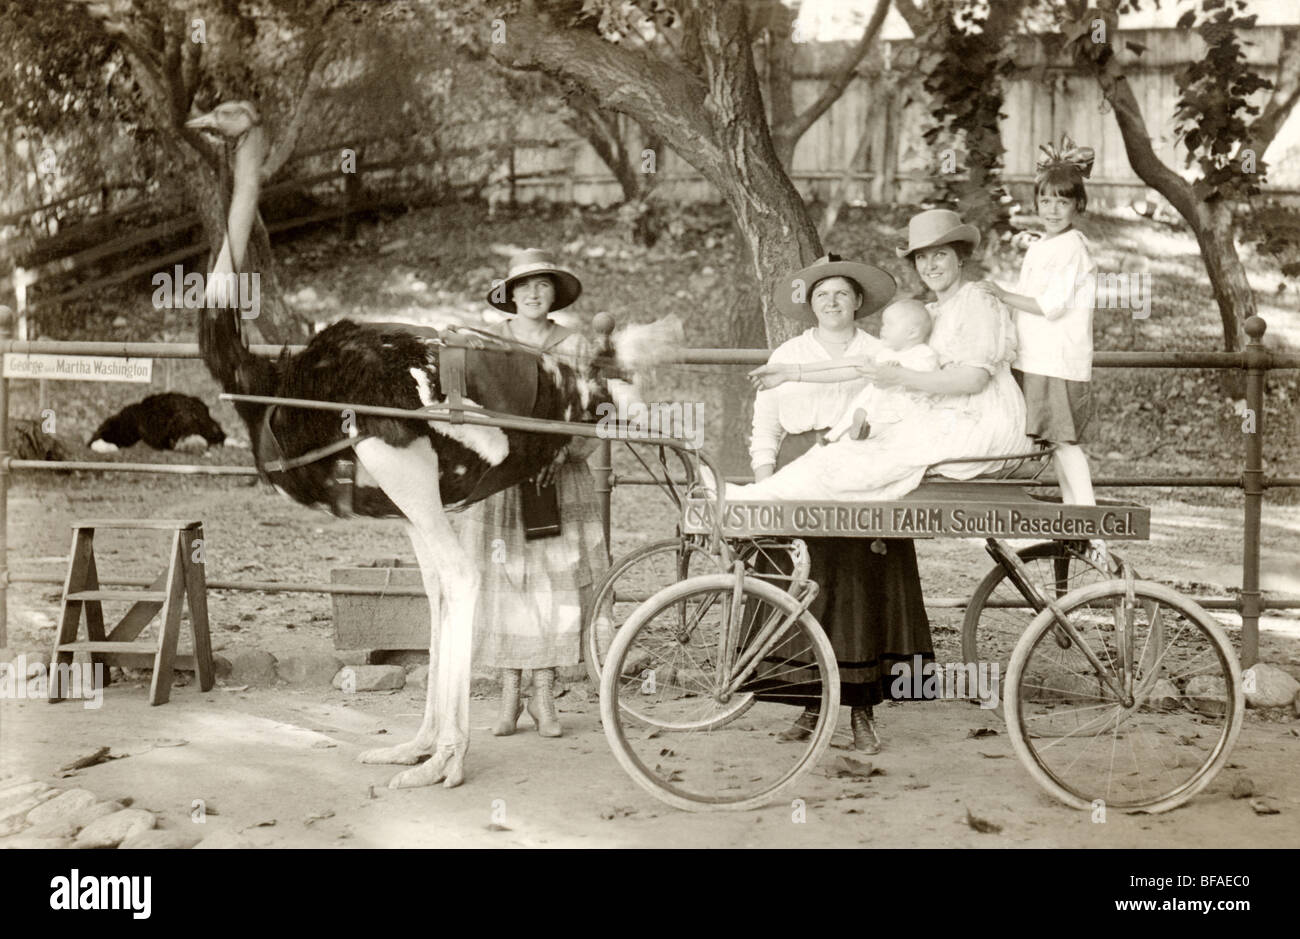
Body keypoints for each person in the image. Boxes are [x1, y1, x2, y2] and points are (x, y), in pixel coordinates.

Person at [743, 254, 934, 753]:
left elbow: (902, 413)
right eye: (822, 294)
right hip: (800, 473)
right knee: (809, 584)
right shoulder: (789, 352)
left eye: (842, 294)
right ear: (810, 304)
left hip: (862, 475)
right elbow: (766, 427)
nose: (832, 302)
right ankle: (810, 704)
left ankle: (863, 713)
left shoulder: (879, 351)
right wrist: (768, 483)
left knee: (860, 587)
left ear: (857, 303)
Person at [738, 211, 1028, 504]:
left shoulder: (976, 299)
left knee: (858, 457)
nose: (930, 266)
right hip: (940, 413)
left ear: (961, 257)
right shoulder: (927, 313)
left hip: (979, 418)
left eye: (940, 255)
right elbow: (864, 365)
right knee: (841, 454)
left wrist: (900, 377)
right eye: (921, 258)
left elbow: (974, 379)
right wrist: (792, 372)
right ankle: (757, 497)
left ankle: (756, 499)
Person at [457, 249, 608, 739]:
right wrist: (498, 449)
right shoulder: (488, 346)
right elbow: (467, 410)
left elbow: (596, 410)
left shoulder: (574, 345)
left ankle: (544, 694)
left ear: (554, 294)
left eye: (542, 285)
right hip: (503, 478)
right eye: (523, 287)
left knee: (551, 584)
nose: (533, 294)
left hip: (558, 478)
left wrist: (564, 449)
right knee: (506, 582)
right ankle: (507, 697)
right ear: (510, 295)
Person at [978, 135, 1106, 565]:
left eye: (1062, 202)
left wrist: (1000, 293)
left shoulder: (1073, 248)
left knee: (1064, 441)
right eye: (1045, 200)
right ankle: (1074, 519)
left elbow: (1050, 307)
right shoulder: (1043, 245)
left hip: (1058, 358)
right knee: (1049, 441)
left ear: (1077, 206)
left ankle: (1087, 521)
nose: (1052, 209)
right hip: (1034, 356)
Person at [820, 299, 939, 443]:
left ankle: (865, 431)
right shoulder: (886, 353)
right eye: (883, 324)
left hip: (905, 400)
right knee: (859, 404)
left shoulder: (923, 353)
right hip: (879, 395)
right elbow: (876, 378)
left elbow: (926, 376)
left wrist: (901, 370)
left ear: (912, 333)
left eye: (889, 325)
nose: (882, 329)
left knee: (890, 420)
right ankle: (833, 435)